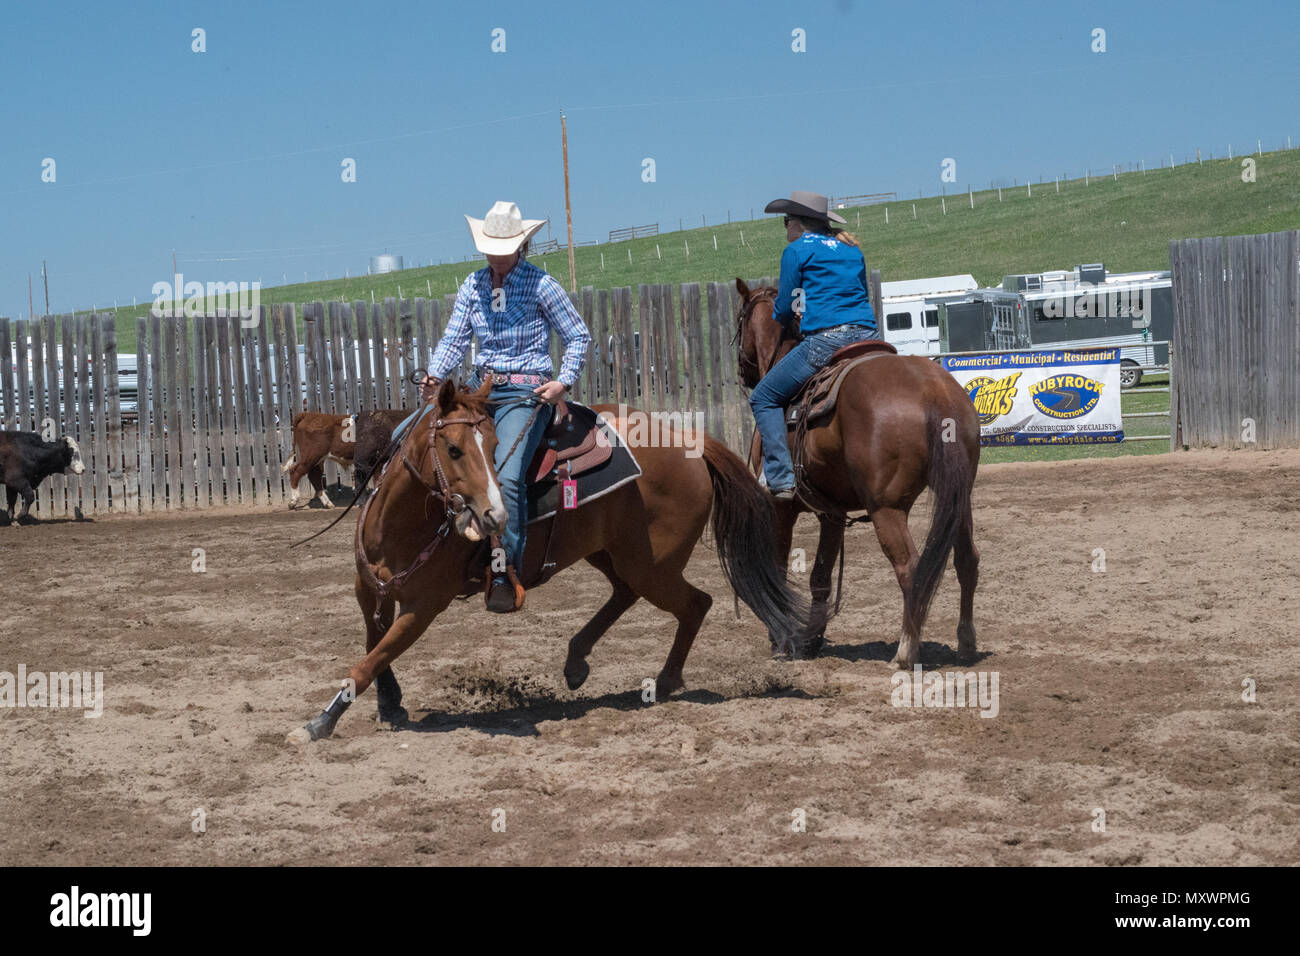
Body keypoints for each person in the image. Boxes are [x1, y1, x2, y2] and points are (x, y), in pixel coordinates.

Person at [419, 200, 591, 612]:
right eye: (490, 246)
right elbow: (454, 339)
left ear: (520, 245)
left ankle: (503, 568)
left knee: (508, 476)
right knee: (423, 442)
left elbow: (579, 336)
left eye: (504, 246)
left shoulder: (541, 285)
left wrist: (562, 382)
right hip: (480, 392)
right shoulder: (472, 285)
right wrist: (434, 374)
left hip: (526, 393)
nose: (495, 254)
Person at [749, 190, 879, 500]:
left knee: (764, 397)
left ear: (798, 223)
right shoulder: (851, 249)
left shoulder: (797, 250)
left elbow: (782, 307)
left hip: (828, 341)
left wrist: (791, 311)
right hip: (869, 338)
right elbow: (857, 292)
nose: (785, 228)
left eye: (785, 222)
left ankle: (780, 478)